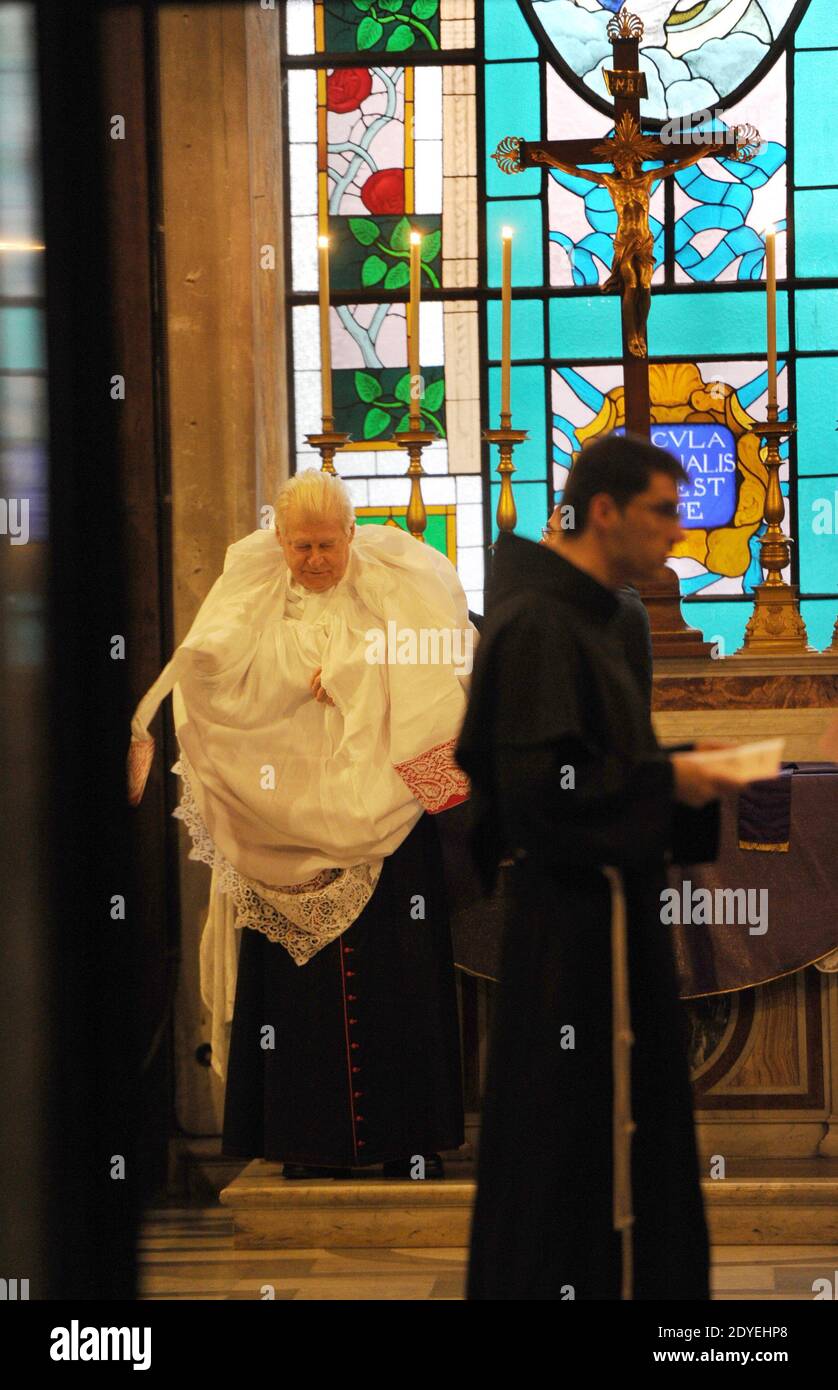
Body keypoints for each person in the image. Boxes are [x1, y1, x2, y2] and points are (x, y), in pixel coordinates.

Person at [456, 431, 740, 1299]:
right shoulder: (541, 620)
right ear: (605, 511)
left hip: (607, 913)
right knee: (577, 1142)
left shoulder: (595, 616)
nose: (676, 534)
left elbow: (604, 766)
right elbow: (544, 798)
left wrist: (676, 780)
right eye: (662, 512)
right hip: (579, 931)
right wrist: (676, 781)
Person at [128, 470, 475, 1179]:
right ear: (278, 541)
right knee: (294, 992)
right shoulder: (254, 589)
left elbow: (442, 661)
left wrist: (356, 670)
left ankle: (409, 1139)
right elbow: (210, 667)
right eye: (300, 546)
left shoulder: (397, 582)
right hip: (280, 819)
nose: (315, 559)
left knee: (399, 980)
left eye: (326, 544)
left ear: (352, 534)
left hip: (384, 819)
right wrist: (153, 713)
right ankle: (301, 1137)